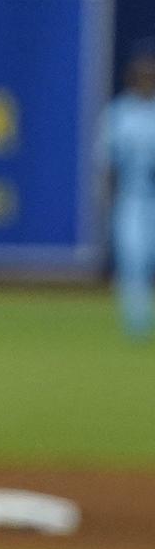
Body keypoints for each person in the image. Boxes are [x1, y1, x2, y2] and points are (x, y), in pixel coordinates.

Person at [104, 44, 155, 343]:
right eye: (142, 76)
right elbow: (108, 163)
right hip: (132, 199)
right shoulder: (119, 114)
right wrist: (110, 199)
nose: (147, 81)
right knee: (133, 259)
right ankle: (136, 324)